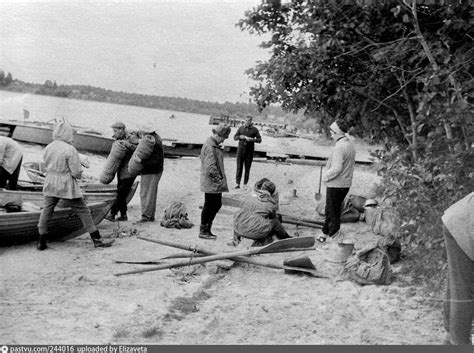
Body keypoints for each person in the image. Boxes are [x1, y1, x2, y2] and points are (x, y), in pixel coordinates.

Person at [36, 120, 114, 250]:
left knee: (46, 210)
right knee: (83, 211)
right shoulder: (69, 149)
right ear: (68, 134)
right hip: (65, 184)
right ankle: (97, 239)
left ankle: (41, 241)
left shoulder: (49, 146)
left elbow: (45, 164)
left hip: (50, 181)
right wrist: (80, 173)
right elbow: (76, 172)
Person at [441, 192, 473, 345]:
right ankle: (458, 342)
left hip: (461, 217)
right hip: (463, 224)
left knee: (458, 286)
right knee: (463, 292)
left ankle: (450, 340)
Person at [318, 119, 356, 243]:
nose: (331, 134)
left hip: (336, 183)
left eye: (332, 132)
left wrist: (325, 177)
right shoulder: (349, 144)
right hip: (345, 184)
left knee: (333, 212)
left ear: (337, 132)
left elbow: (336, 168)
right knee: (330, 210)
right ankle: (324, 232)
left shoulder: (340, 147)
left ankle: (334, 236)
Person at [230, 178, 291, 247]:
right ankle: (286, 238)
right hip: (255, 233)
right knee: (275, 221)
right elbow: (273, 216)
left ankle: (235, 238)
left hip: (238, 229)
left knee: (243, 214)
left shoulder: (248, 197)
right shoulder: (270, 204)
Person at [199, 123, 231, 240]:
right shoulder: (210, 147)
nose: (223, 141)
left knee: (215, 204)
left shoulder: (212, 145)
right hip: (211, 183)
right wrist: (218, 181)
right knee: (210, 205)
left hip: (212, 183)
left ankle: (207, 229)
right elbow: (210, 168)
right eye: (223, 138)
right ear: (218, 135)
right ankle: (204, 230)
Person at [105, 121, 139, 222]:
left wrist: (128, 145)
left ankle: (112, 214)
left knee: (120, 193)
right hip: (121, 169)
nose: (114, 133)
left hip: (130, 170)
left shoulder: (131, 138)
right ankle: (123, 215)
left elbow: (139, 149)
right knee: (122, 193)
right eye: (113, 131)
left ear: (122, 130)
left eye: (116, 131)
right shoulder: (119, 138)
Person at [136, 122, 164, 223]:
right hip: (156, 170)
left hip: (151, 170)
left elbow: (154, 159)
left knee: (145, 193)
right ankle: (150, 215)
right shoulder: (156, 138)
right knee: (151, 193)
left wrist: (141, 161)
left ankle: (146, 216)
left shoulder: (150, 141)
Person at [233, 115, 262, 189]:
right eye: (246, 120)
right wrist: (240, 137)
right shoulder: (241, 128)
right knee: (239, 167)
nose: (247, 122)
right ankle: (237, 184)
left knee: (247, 168)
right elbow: (235, 137)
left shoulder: (255, 130)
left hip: (249, 151)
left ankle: (245, 184)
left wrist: (253, 139)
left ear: (251, 121)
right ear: (244, 120)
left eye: (249, 121)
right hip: (240, 150)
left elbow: (259, 140)